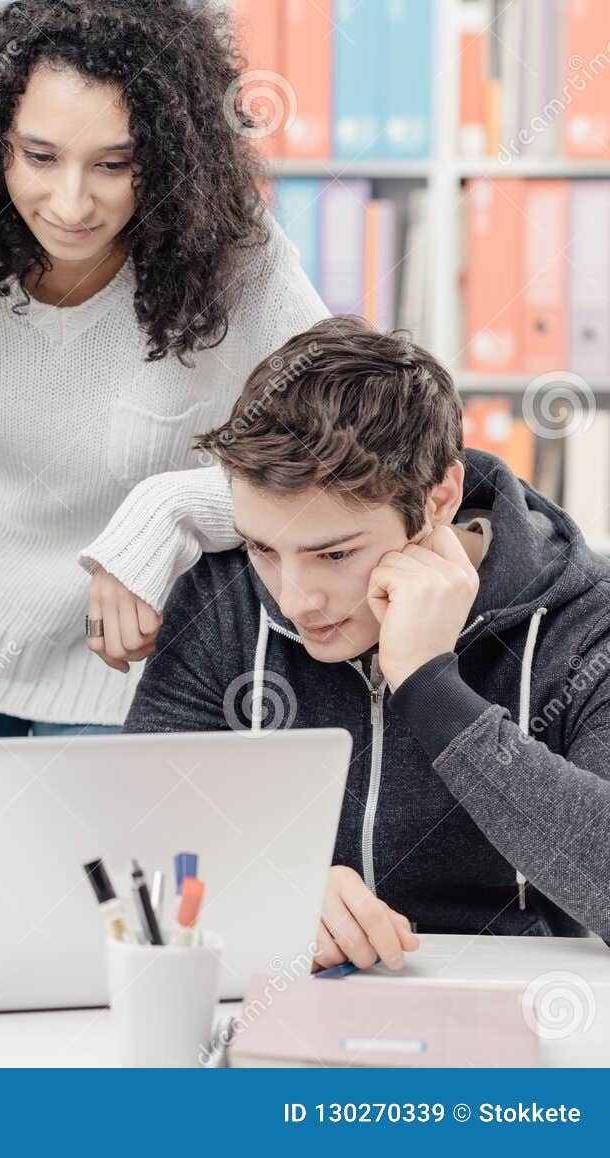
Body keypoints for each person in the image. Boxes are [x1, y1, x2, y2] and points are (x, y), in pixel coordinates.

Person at [0, 0, 329, 737]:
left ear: (168, 155)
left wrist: (172, 511)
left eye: (115, 165)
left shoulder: (235, 255)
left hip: (136, 666)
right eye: (39, 156)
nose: (70, 204)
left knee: (111, 859)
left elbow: (346, 457)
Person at [125, 316, 610, 967]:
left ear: (439, 501)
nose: (295, 599)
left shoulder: (585, 621)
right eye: (265, 548)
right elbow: (137, 821)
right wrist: (269, 879)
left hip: (517, 1003)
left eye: (333, 554)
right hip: (287, 987)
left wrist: (430, 686)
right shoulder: (222, 596)